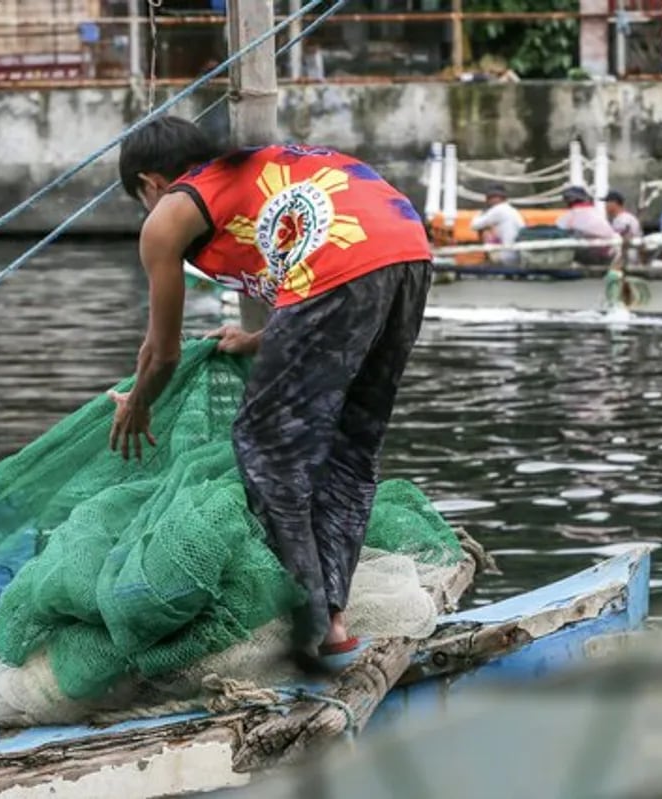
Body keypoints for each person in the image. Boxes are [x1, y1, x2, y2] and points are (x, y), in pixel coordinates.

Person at [110, 116, 434, 672]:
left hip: (339, 268)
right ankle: (333, 622)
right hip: (409, 251)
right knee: (350, 447)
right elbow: (337, 284)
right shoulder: (253, 171)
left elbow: (161, 351)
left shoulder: (169, 212)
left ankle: (310, 624)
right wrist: (262, 339)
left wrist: (139, 402)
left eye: (142, 198)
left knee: (265, 444)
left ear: (151, 183)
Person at [556, 185, 616, 266]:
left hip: (592, 254)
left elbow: (559, 229)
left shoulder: (570, 215)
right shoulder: (596, 212)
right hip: (609, 254)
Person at [469, 184, 526, 266]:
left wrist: (482, 212)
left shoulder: (498, 209)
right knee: (492, 228)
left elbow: (474, 225)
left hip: (507, 258)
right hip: (519, 257)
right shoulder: (513, 210)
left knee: (486, 232)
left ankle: (491, 262)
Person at [603, 190, 642, 266]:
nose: (605, 205)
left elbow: (623, 243)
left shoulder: (624, 220)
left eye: (607, 202)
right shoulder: (619, 219)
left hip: (627, 262)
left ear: (614, 203)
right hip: (624, 261)